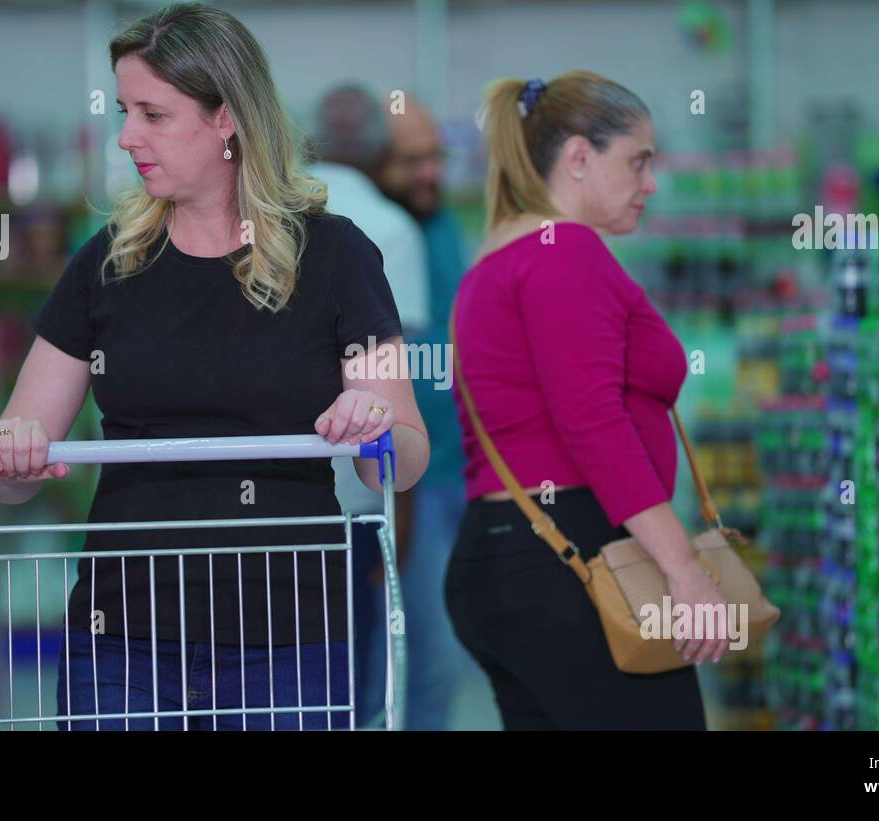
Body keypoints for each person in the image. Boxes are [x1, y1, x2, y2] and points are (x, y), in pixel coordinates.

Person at [0, 2, 429, 731]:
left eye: (152, 114)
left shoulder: (338, 257)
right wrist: (11, 454)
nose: (125, 137)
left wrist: (373, 424)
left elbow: (402, 458)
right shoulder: (107, 263)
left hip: (290, 641)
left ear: (226, 121)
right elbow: (11, 466)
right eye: (125, 110)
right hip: (121, 641)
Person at [444, 72, 726, 731]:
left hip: (507, 556)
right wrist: (683, 567)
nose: (650, 183)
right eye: (638, 160)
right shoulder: (563, 250)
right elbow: (592, 422)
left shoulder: (493, 258)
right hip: (574, 562)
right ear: (578, 156)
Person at [306, 83, 431, 724]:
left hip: (276, 504)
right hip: (359, 503)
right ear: (384, 156)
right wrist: (399, 518)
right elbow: (397, 392)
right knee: (354, 692)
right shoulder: (391, 229)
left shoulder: (264, 221)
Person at [373, 92, 475, 730]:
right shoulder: (367, 236)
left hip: (461, 474)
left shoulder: (442, 228)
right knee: (420, 664)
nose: (429, 172)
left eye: (435, 156)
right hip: (403, 486)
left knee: (449, 662)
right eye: (412, 160)